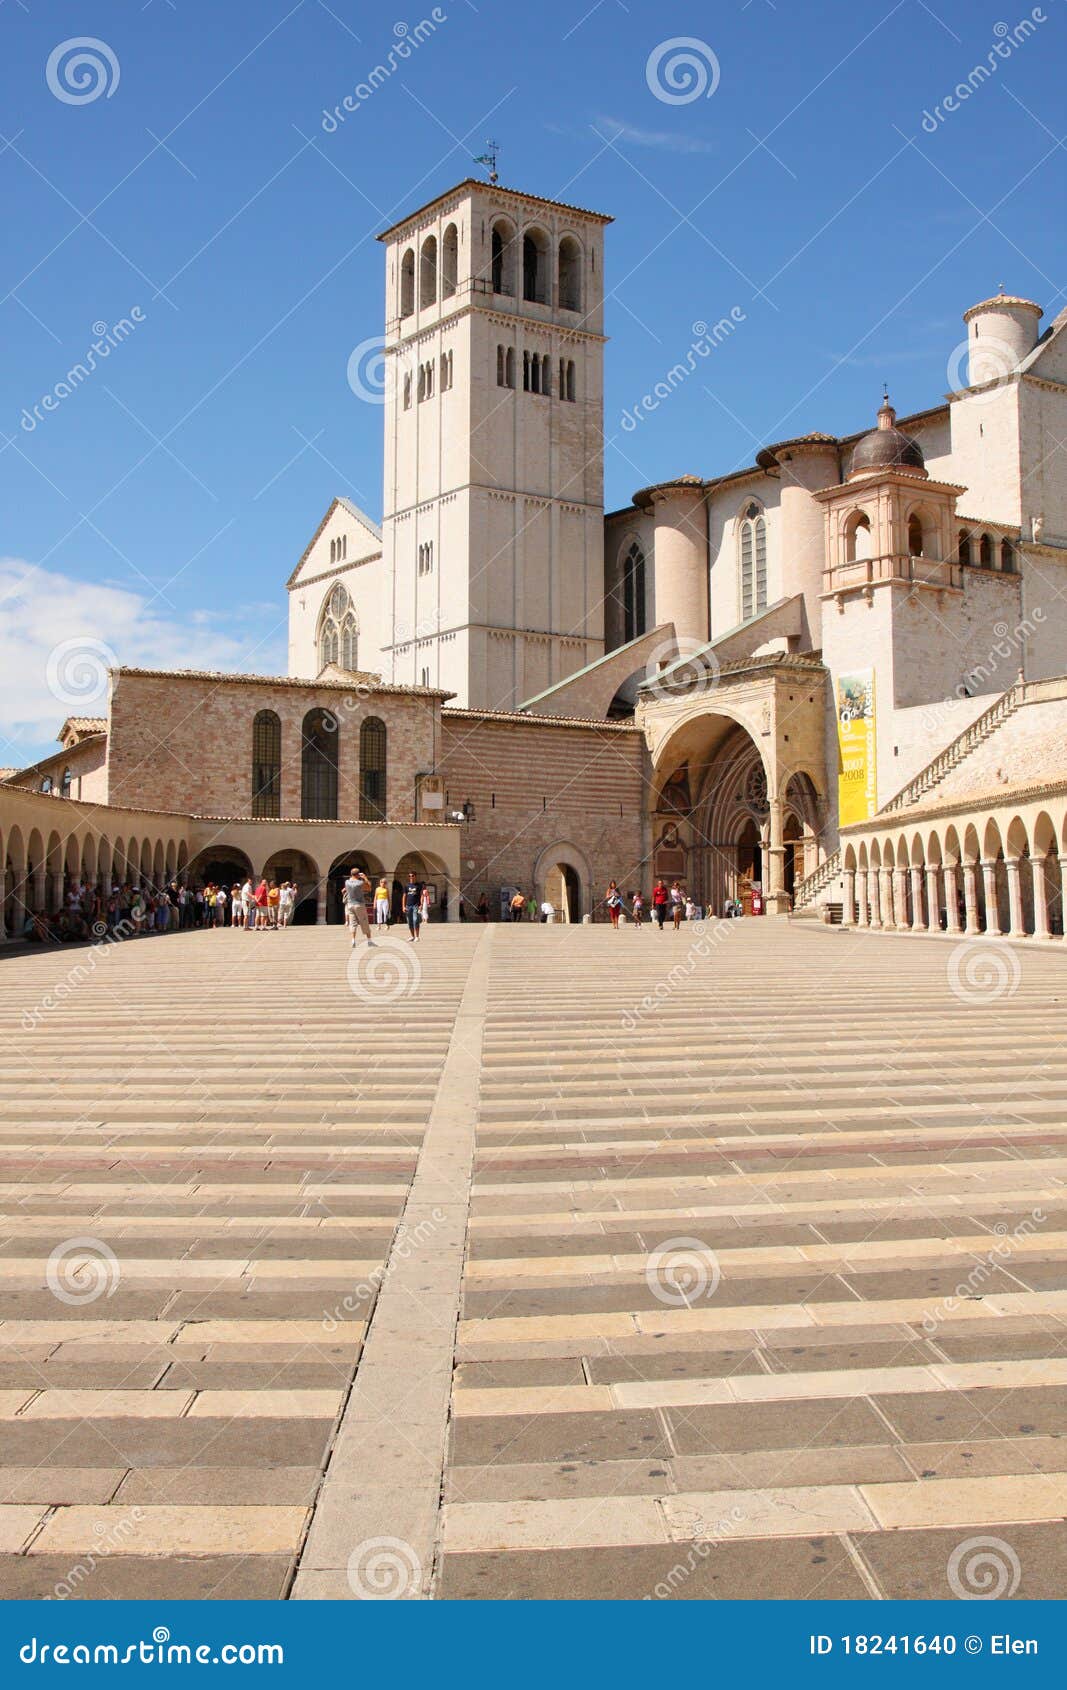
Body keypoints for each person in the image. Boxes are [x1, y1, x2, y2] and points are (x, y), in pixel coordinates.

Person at [343, 865, 374, 947]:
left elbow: (345, 889)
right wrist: (365, 878)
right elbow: (369, 888)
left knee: (352, 923)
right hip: (359, 905)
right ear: (358, 874)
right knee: (364, 922)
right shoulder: (360, 883)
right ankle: (369, 941)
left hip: (350, 905)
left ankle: (353, 940)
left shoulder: (347, 882)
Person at [402, 870, 423, 942]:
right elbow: (404, 896)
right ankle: (412, 936)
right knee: (409, 922)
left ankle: (417, 937)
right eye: (409, 876)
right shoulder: (406, 886)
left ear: (415, 876)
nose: (411, 877)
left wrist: (421, 904)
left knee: (415, 920)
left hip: (415, 905)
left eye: (412, 876)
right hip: (408, 906)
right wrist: (403, 906)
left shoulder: (419, 885)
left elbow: (421, 895)